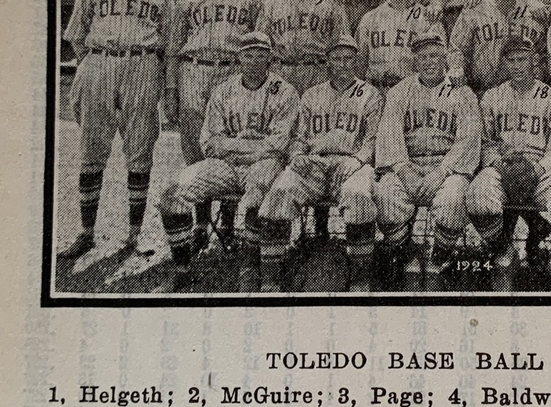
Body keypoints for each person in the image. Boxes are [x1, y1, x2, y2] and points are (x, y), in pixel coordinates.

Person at [59, 0, 174, 261]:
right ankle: (86, 232)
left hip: (142, 63)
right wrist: (94, 64)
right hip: (100, 63)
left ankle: (135, 234)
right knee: (92, 148)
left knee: (140, 150)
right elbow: (77, 36)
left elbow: (168, 41)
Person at [157, 32, 299, 292]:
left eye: (260, 55)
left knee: (260, 194)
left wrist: (234, 145)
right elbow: (209, 141)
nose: (254, 61)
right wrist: (246, 147)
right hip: (226, 164)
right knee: (171, 193)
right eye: (248, 55)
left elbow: (279, 143)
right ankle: (182, 269)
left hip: (264, 164)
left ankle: (252, 266)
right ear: (239, 58)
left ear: (270, 58)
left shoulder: (285, 92)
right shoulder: (223, 91)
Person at [257, 34, 383, 292]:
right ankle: (270, 279)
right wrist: (297, 156)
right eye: (337, 59)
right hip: (314, 164)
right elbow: (299, 138)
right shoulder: (312, 95)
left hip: (352, 164)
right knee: (280, 190)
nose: (343, 64)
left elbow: (373, 141)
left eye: (349, 58)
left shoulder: (370, 95)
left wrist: (358, 160)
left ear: (356, 61)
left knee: (357, 194)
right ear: (327, 61)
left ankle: (360, 279)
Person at [165, 0, 261, 250]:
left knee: (233, 142)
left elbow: (259, 41)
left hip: (233, 69)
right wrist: (171, 89)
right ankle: (201, 224)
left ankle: (229, 225)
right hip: (195, 67)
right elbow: (175, 45)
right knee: (195, 148)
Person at [467, 37, 551, 287]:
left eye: (523, 59)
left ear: (534, 61)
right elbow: (486, 143)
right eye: (511, 60)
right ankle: (504, 255)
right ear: (504, 64)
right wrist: (497, 163)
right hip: (503, 165)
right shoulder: (491, 97)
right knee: (478, 196)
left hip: (542, 166)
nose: (517, 65)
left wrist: (537, 168)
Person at [373, 33, 482, 281]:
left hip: (447, 166)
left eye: (435, 55)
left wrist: (442, 172)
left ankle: (440, 254)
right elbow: (389, 134)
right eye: (423, 57)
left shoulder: (463, 93)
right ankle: (406, 250)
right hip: (407, 163)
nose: (429, 61)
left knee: (455, 198)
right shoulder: (400, 91)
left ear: (445, 58)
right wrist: (402, 170)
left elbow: (468, 139)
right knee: (386, 196)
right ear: (415, 60)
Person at [447, 0, 549, 93]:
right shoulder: (475, 9)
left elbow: (547, 52)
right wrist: (456, 68)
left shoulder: (537, 9)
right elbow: (456, 48)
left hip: (527, 93)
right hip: (483, 90)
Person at [257, 0, 349, 98]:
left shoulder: (331, 0)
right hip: (282, 72)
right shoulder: (272, 2)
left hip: (318, 72)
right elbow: (261, 45)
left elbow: (343, 44)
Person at [356, 0, 444, 90]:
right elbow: (359, 66)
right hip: (375, 89)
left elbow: (440, 65)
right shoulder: (370, 18)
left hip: (412, 91)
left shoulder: (427, 17)